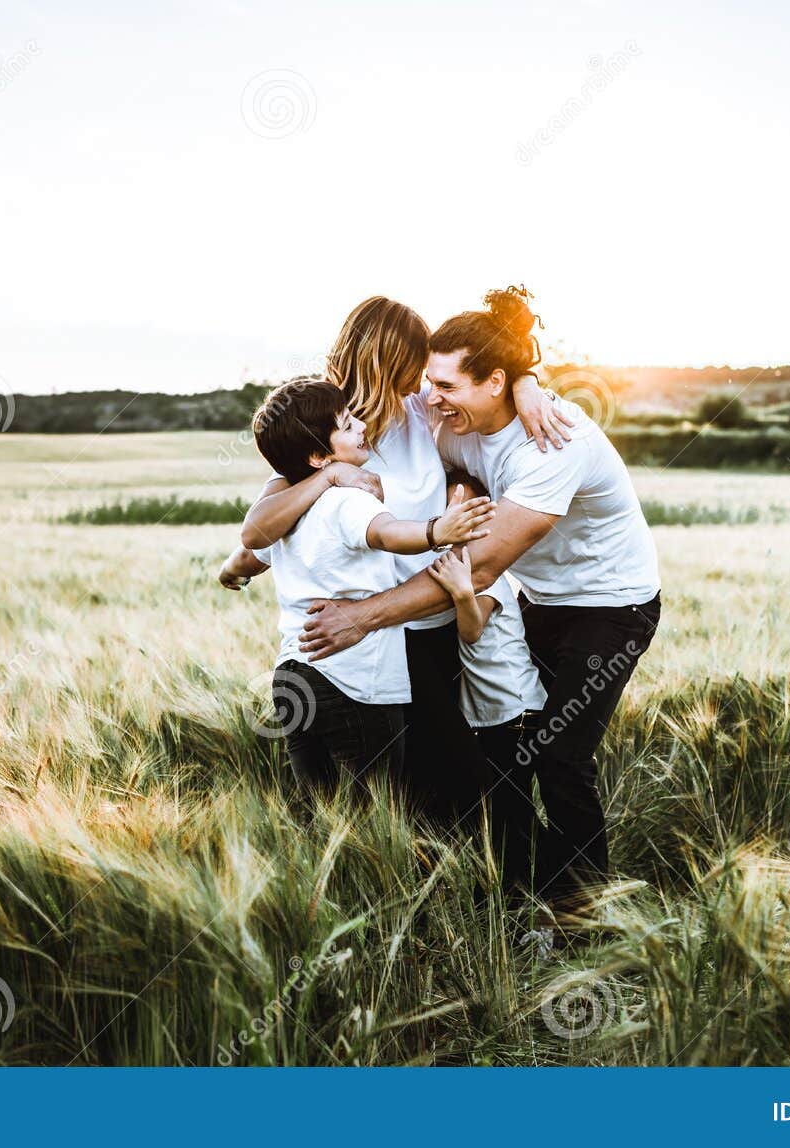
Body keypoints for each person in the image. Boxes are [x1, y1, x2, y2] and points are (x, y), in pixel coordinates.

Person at [300, 287, 661, 917]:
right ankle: (533, 892)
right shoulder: (451, 419)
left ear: (493, 382)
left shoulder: (554, 441)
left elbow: (483, 561)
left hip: (611, 608)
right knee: (505, 747)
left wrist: (362, 615)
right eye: (427, 382)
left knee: (560, 751)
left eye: (446, 385)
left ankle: (589, 910)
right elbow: (352, 416)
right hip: (543, 602)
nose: (428, 397)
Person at [235, 296, 572, 822]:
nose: (425, 381)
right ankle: (418, 891)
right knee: (424, 786)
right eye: (413, 366)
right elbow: (264, 523)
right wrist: (321, 483)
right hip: (376, 638)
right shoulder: (328, 427)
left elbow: (481, 372)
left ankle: (472, 890)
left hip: (437, 619)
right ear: (388, 364)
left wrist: (526, 382)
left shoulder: (419, 408)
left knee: (449, 779)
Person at [218, 377, 491, 796]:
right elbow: (387, 534)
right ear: (316, 456)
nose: (361, 426)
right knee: (374, 809)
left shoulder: (290, 513)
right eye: (347, 425)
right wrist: (438, 529)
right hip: (356, 682)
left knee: (316, 813)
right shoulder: (349, 498)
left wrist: (230, 570)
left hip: (294, 674)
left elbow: (251, 553)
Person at [424, 522, 546, 897]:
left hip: (516, 712)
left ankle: (548, 891)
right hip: (495, 715)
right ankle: (526, 892)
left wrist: (462, 592)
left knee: (512, 811)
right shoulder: (468, 569)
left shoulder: (484, 576)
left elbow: (472, 629)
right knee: (505, 809)